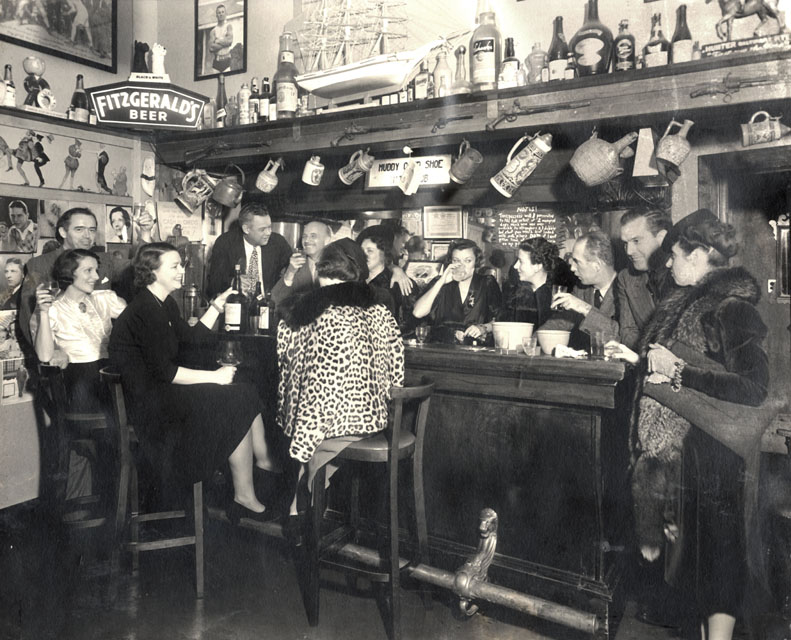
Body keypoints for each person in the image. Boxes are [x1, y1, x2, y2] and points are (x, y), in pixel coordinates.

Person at [606, 209, 769, 640]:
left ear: (700, 256)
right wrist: (643, 362)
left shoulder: (731, 308)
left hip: (713, 457)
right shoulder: (684, 302)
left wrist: (679, 372)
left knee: (719, 563)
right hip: (686, 457)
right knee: (693, 567)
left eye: (677, 255)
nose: (670, 263)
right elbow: (680, 366)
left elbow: (754, 388)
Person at [109, 243, 280, 523]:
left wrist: (216, 306)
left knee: (245, 390)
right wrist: (214, 377)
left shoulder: (163, 303)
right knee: (234, 397)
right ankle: (247, 491)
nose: (181, 271)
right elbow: (166, 372)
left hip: (163, 392)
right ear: (153, 271)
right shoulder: (144, 310)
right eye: (174, 266)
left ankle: (260, 466)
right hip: (149, 404)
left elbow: (190, 339)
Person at [277, 238, 404, 520]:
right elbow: (397, 374)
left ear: (320, 272)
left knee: (307, 450)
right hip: (375, 420)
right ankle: (306, 507)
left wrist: (302, 442)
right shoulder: (380, 310)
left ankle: (303, 513)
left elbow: (315, 393)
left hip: (334, 424)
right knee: (314, 445)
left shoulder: (314, 315)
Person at [18, 207, 153, 348]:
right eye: (79, 229)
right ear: (63, 232)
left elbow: (139, 267)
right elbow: (28, 315)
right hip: (64, 357)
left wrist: (145, 233)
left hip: (103, 352)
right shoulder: (40, 265)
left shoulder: (105, 261)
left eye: (92, 230)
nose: (87, 236)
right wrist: (51, 353)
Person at [32, 249, 126, 413]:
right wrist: (44, 312)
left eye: (96, 270)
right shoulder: (54, 309)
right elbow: (44, 356)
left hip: (111, 373)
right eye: (88, 270)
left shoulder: (104, 299)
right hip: (81, 381)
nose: (96, 277)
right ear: (69, 273)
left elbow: (138, 319)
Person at [412, 238, 501, 345]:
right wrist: (442, 281)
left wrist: (483, 328)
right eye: (456, 260)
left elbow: (501, 320)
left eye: (468, 261)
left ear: (476, 262)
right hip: (441, 349)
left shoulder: (486, 283)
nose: (462, 266)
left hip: (476, 350)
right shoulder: (440, 283)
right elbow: (418, 313)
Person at [206, 203, 291, 300]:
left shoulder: (278, 243)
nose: (268, 233)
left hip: (268, 304)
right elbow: (214, 282)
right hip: (237, 305)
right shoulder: (226, 243)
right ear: (246, 229)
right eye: (262, 229)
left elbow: (293, 272)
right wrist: (234, 281)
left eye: (269, 227)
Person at [617, 209, 675, 349]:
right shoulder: (627, 278)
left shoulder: (684, 276)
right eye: (625, 243)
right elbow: (628, 332)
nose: (629, 251)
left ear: (662, 238)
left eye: (636, 241)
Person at [550, 230, 619, 348]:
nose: (572, 268)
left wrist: (585, 308)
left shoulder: (626, 290)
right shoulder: (581, 289)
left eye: (577, 262)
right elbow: (558, 323)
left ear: (597, 265)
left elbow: (621, 337)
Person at [271, 219, 332, 308]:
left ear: (327, 240)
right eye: (304, 236)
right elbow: (274, 301)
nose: (307, 240)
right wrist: (290, 272)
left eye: (313, 236)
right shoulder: (294, 266)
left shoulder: (338, 266)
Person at [501, 237, 560, 328]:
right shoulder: (514, 294)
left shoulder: (557, 297)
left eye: (520, 261)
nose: (515, 266)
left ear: (537, 266)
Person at [357, 226, 406, 321]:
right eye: (361, 251)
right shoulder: (355, 280)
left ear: (383, 254)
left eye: (369, 251)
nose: (363, 256)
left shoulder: (397, 284)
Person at [209, 4, 233, 73]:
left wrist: (217, 41)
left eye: (223, 12)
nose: (221, 14)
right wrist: (225, 42)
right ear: (216, 15)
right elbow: (211, 48)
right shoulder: (213, 31)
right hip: (216, 62)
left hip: (226, 61)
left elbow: (230, 41)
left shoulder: (228, 26)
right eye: (219, 12)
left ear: (225, 14)